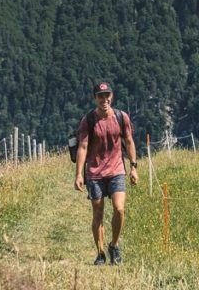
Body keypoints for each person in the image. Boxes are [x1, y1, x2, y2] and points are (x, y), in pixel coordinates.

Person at [74, 81, 138, 265]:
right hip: (95, 173)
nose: (104, 99)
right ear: (95, 98)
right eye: (100, 96)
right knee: (98, 213)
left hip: (117, 170)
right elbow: (83, 147)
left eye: (107, 95)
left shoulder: (121, 117)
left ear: (112, 96)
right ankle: (100, 253)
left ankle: (114, 246)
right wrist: (79, 174)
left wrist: (133, 167)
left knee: (119, 209)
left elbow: (129, 141)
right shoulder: (88, 120)